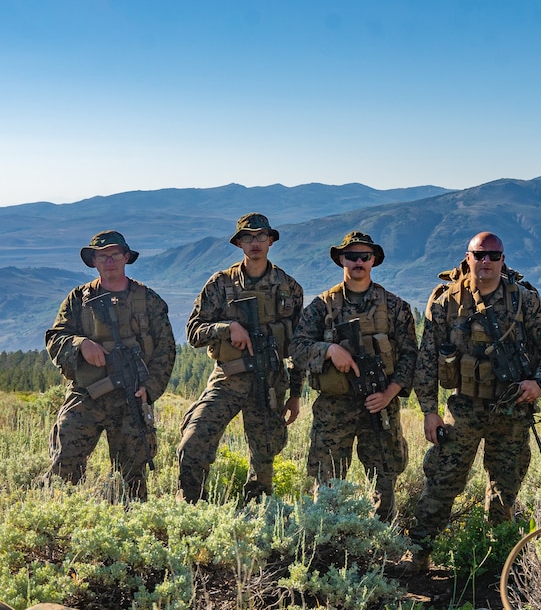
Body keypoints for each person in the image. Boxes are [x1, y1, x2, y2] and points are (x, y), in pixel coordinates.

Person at [399, 231, 541, 574]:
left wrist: (539, 381)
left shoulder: (523, 301)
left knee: (505, 487)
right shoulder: (447, 302)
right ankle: (419, 554)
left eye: (493, 255)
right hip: (464, 406)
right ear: (468, 258)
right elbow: (427, 359)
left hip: (511, 408)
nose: (486, 261)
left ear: (503, 260)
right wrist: (429, 411)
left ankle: (498, 561)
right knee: (442, 479)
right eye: (479, 255)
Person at [177, 213, 304, 503]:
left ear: (270, 241)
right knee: (193, 442)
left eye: (261, 236)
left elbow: (299, 346)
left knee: (264, 458)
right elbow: (194, 332)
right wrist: (227, 328)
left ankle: (256, 514)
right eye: (248, 237)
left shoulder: (289, 288)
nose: (255, 242)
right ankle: (191, 510)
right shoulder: (221, 283)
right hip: (228, 378)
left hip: (269, 381)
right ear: (239, 243)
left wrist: (295, 394)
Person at [290, 231, 417, 521]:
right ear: (341, 260)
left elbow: (411, 356)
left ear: (373, 260)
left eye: (365, 256)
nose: (358, 262)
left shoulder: (395, 307)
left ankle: (385, 542)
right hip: (334, 408)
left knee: (384, 482)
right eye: (351, 256)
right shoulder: (323, 306)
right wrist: (329, 350)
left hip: (380, 406)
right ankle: (326, 541)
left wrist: (389, 394)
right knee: (327, 486)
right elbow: (297, 347)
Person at [44, 230, 176, 501]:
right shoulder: (78, 298)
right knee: (64, 464)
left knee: (132, 479)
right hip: (87, 393)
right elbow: (55, 338)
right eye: (102, 256)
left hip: (131, 396)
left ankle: (131, 523)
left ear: (126, 257)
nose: (109, 261)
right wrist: (80, 344)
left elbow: (165, 350)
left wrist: (150, 389)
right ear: (93, 261)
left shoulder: (148, 300)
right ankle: (56, 516)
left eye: (115, 255)